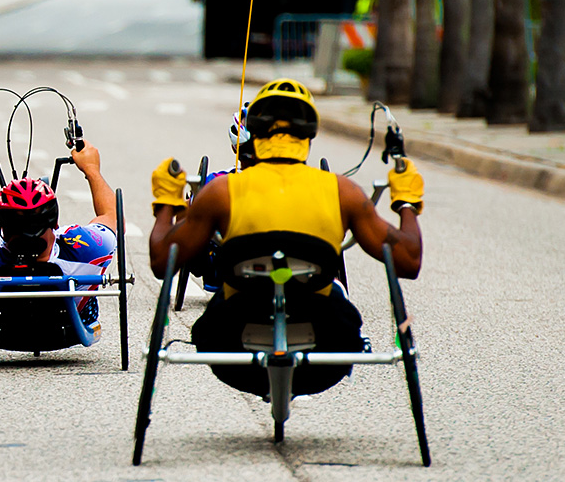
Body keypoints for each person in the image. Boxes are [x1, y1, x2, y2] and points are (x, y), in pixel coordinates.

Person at [148, 78, 424, 397]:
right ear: (309, 132)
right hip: (329, 346)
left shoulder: (220, 192)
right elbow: (408, 261)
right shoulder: (343, 192)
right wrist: (406, 203)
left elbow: (161, 262)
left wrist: (167, 205)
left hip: (230, 345)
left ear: (252, 132)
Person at [0, 144, 119, 345]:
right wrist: (91, 169)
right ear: (55, 222)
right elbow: (111, 215)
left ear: (3, 227)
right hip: (67, 331)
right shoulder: (87, 249)